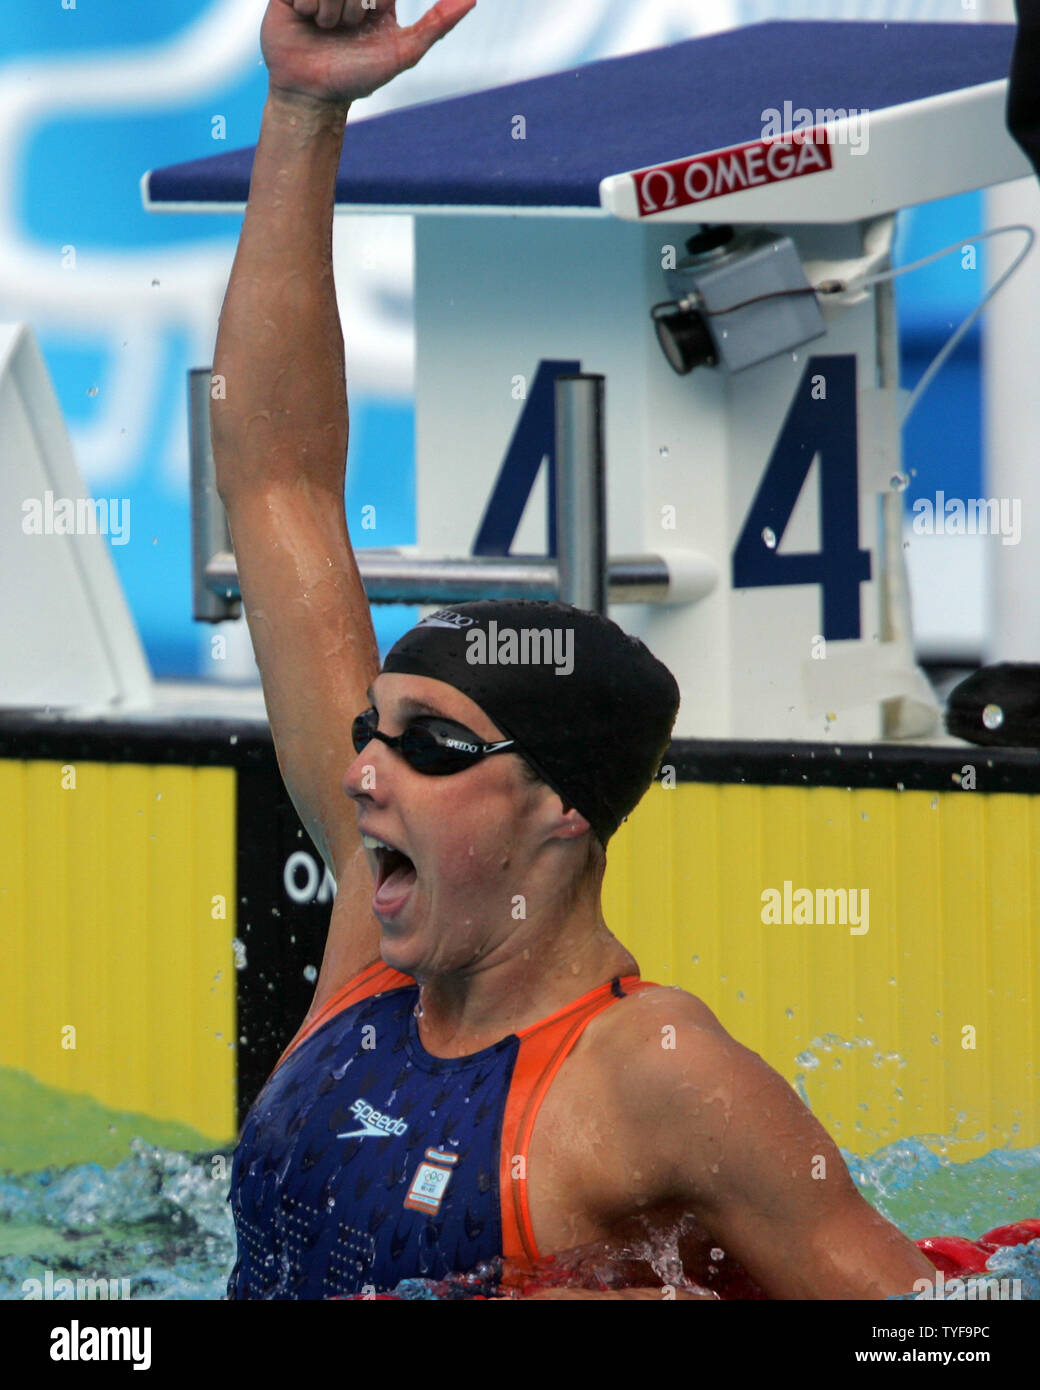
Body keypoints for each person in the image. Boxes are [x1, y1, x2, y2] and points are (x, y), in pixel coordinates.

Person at [212, 0, 939, 1300]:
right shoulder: (373, 968)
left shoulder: (649, 1073)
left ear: (559, 813)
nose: (365, 770)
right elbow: (279, 484)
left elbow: (938, 1323)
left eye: (428, 745)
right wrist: (304, 109)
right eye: (375, 728)